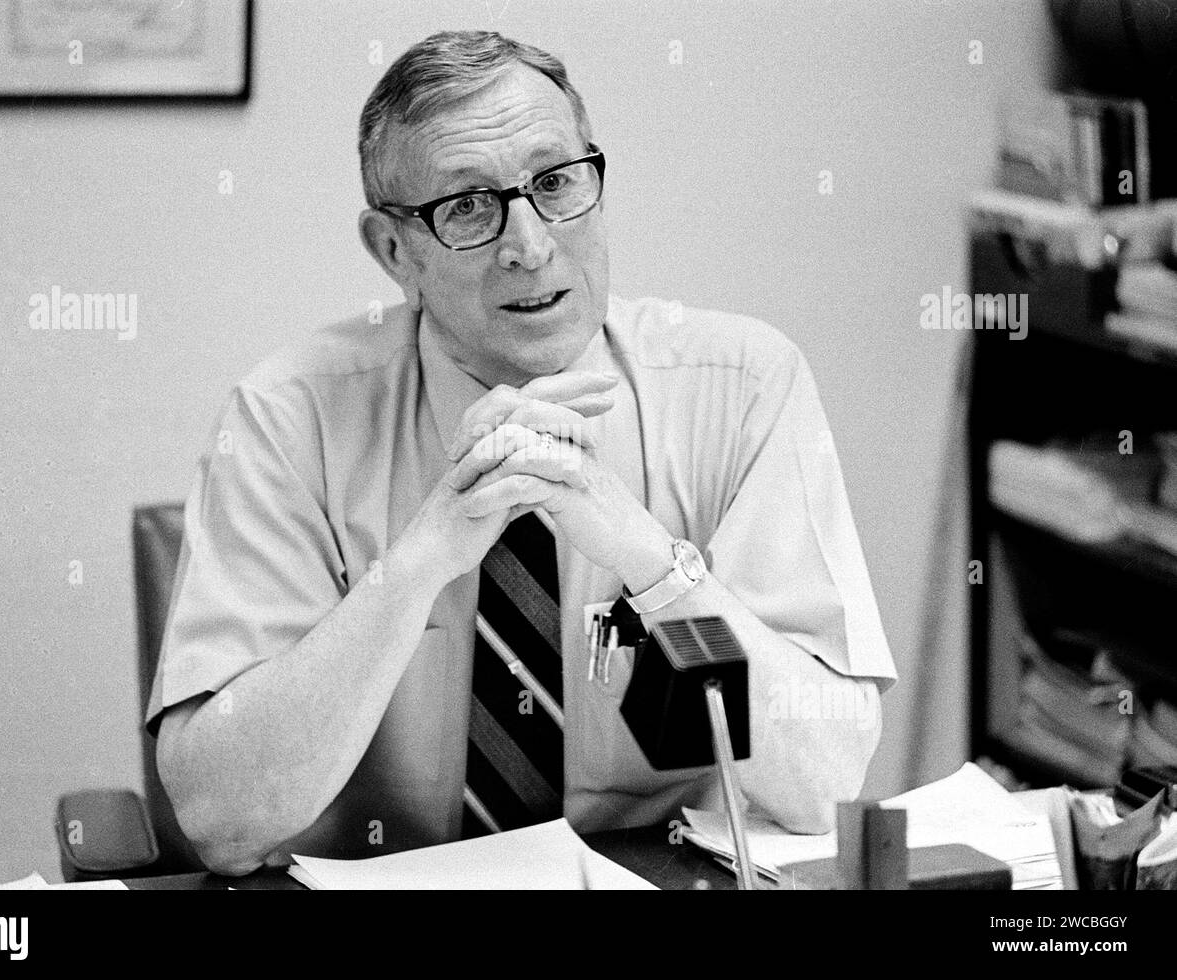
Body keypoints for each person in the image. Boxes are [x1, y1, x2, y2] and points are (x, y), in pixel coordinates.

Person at [149, 29, 897, 876]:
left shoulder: (742, 387)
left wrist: (652, 564)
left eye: (555, 183)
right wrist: (423, 559)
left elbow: (829, 782)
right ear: (396, 252)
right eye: (467, 205)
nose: (530, 243)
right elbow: (220, 819)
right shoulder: (288, 419)